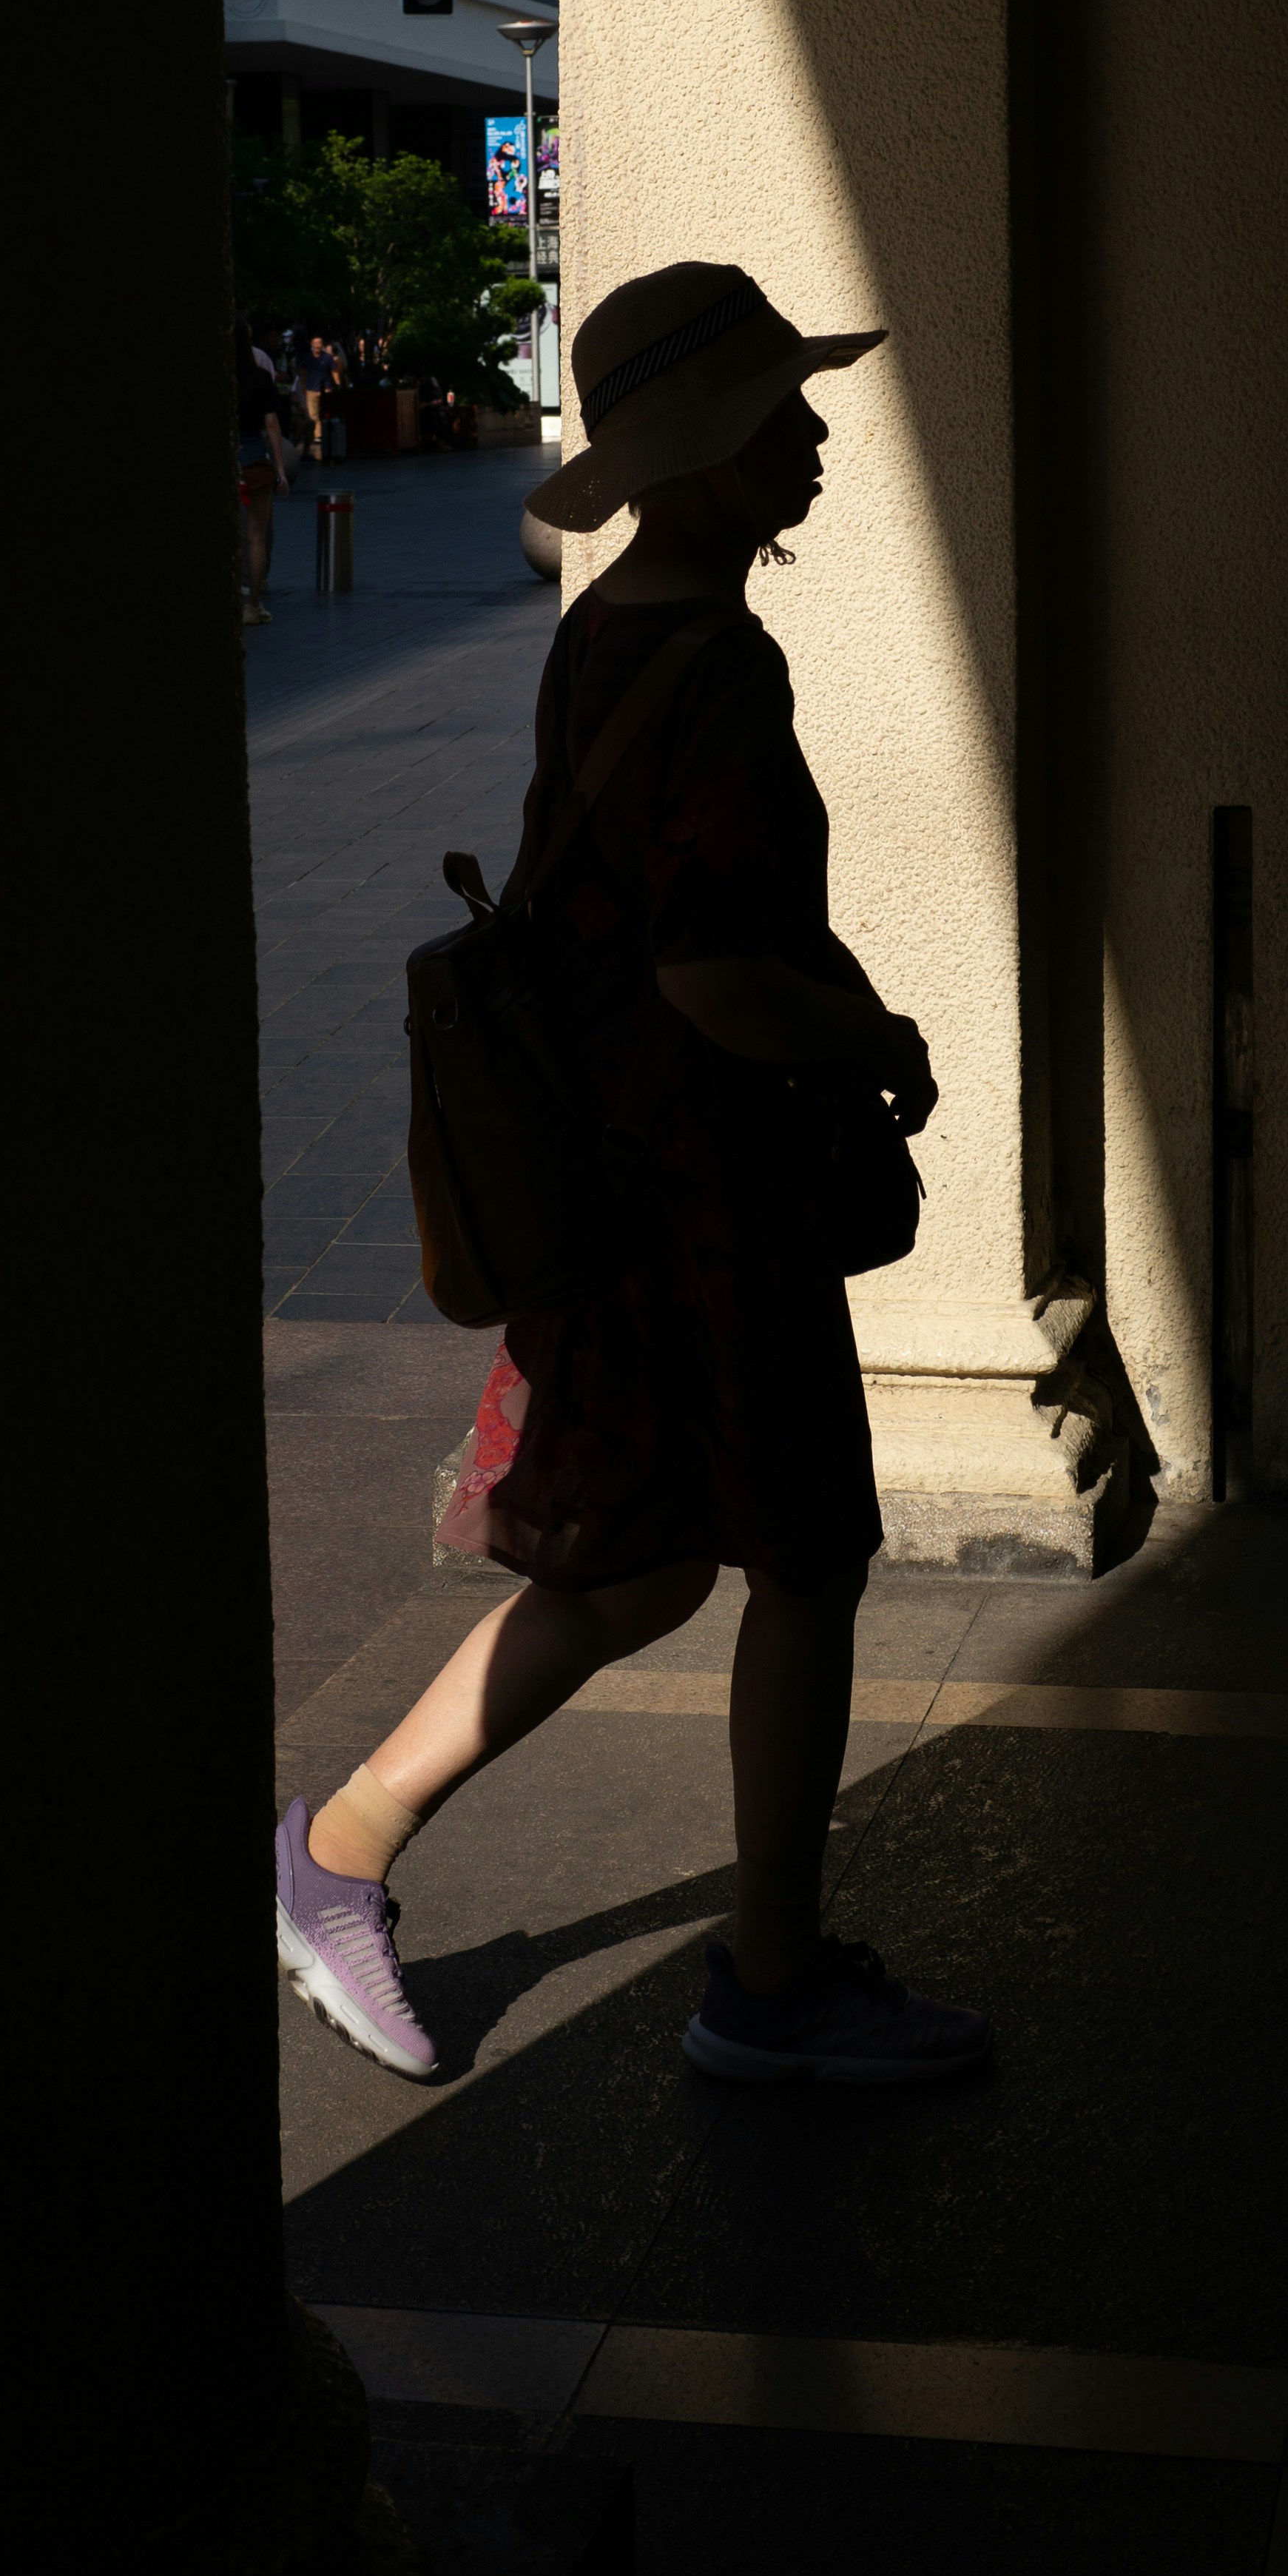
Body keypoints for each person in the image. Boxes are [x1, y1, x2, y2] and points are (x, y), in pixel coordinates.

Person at [273, 259, 991, 2086]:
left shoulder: (606, 632)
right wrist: (876, 1038)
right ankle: (766, 1980)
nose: (816, 436)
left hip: (614, 1192)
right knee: (804, 1560)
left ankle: (338, 1847)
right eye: (782, 413)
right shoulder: (717, 665)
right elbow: (708, 969)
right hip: (699, 1200)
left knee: (643, 1566)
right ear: (711, 451)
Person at [235, 317, 293, 623]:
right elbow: (272, 424)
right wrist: (280, 470)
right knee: (256, 536)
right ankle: (253, 604)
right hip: (254, 456)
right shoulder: (260, 377)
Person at [300, 324, 342, 463]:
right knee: (313, 415)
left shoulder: (328, 358)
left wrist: (338, 384)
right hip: (312, 388)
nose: (318, 345)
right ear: (312, 344)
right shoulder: (307, 357)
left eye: (320, 343)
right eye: (315, 343)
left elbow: (334, 372)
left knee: (325, 413)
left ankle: (323, 435)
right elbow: (303, 373)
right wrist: (303, 386)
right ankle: (318, 436)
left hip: (326, 388)